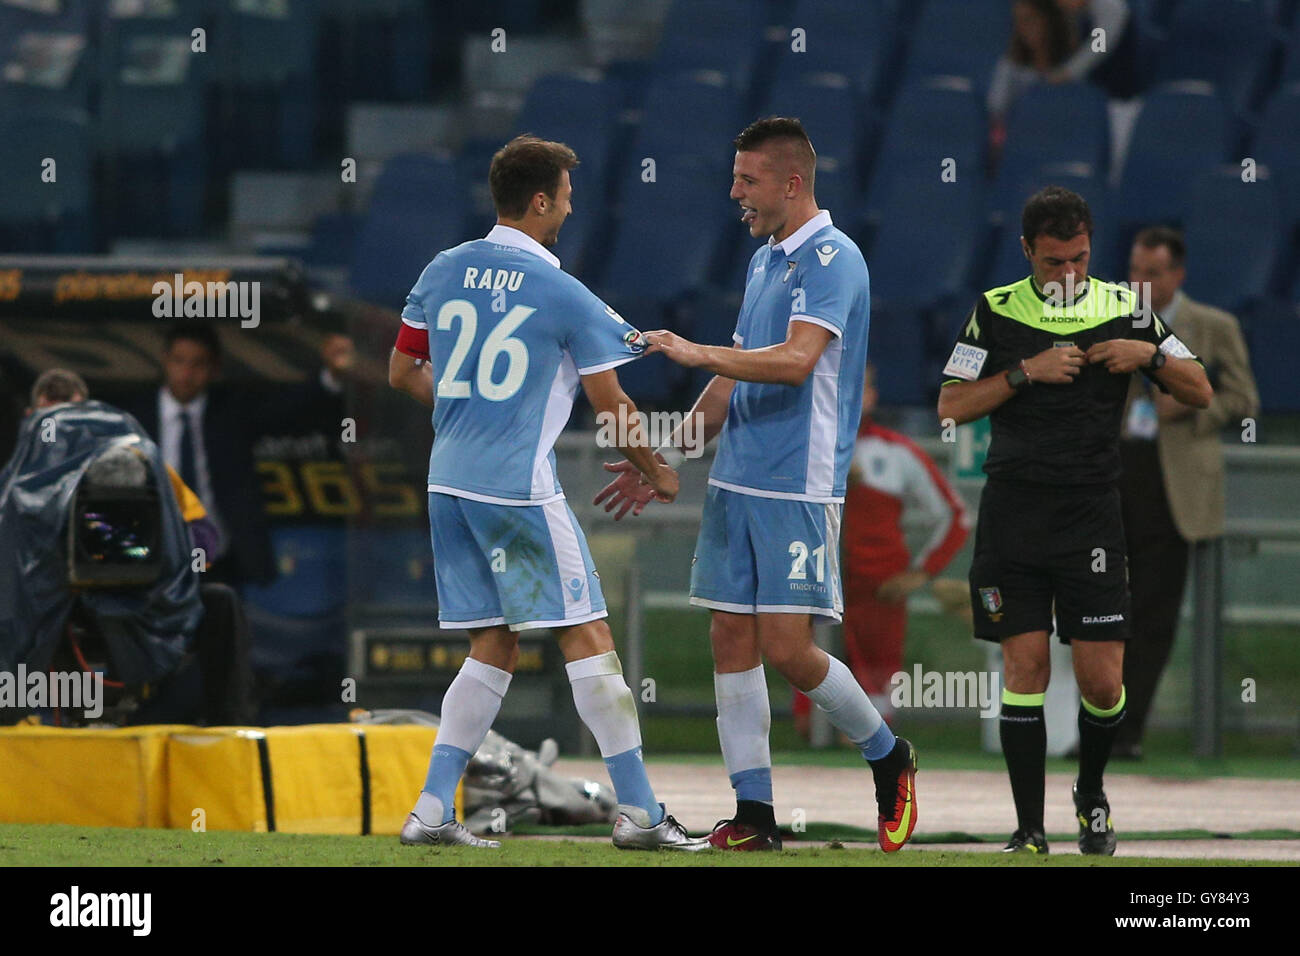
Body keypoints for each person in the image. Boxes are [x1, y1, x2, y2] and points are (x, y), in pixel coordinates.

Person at [596, 117, 919, 853]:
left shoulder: (834, 259)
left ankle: (888, 755)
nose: (734, 193)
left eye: (746, 180)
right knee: (729, 637)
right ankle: (755, 815)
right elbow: (730, 381)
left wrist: (692, 348)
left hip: (797, 487)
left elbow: (796, 361)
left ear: (790, 183)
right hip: (736, 480)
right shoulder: (766, 260)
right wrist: (664, 455)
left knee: (788, 649)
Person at [387, 135, 706, 851]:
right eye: (564, 194)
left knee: (492, 645)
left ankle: (433, 809)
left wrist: (464, 416)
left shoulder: (444, 269)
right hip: (516, 490)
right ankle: (641, 814)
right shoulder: (561, 290)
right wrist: (658, 471)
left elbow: (402, 372)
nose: (569, 205)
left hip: (448, 483)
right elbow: (612, 402)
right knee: (587, 633)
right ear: (539, 201)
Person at [937, 186, 1212, 855]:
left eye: (1079, 260)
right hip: (1015, 513)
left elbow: (1201, 389)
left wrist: (1147, 358)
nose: (1067, 276)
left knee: (1101, 680)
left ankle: (1091, 793)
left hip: (1091, 515)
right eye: (1054, 261)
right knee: (1024, 666)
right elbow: (950, 404)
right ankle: (1029, 829)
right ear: (1028, 251)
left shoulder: (1128, 309)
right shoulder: (996, 311)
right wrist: (1023, 375)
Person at [1117, 226, 1259, 758]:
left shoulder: (1214, 326)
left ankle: (1127, 733)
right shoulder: (1112, 317)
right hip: (1117, 470)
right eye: (1135, 271)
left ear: (1177, 275)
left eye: (1152, 273)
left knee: (1154, 615)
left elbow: (1244, 398)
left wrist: (1193, 409)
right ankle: (1098, 727)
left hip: (1174, 483)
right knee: (1106, 610)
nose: (1141, 282)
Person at [793, 365, 971, 733]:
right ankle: (816, 733)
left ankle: (871, 740)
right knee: (803, 678)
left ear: (872, 395)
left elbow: (955, 516)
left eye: (860, 387)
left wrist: (920, 572)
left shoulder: (897, 452)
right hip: (806, 580)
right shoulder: (796, 445)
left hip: (877, 585)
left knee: (877, 682)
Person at [125, 322, 354, 589]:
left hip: (219, 566)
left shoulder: (231, 412)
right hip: (154, 565)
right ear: (165, 361)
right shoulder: (135, 417)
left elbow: (288, 408)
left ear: (214, 368)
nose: (187, 373)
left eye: (198, 364)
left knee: (220, 628)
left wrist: (332, 375)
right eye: (179, 361)